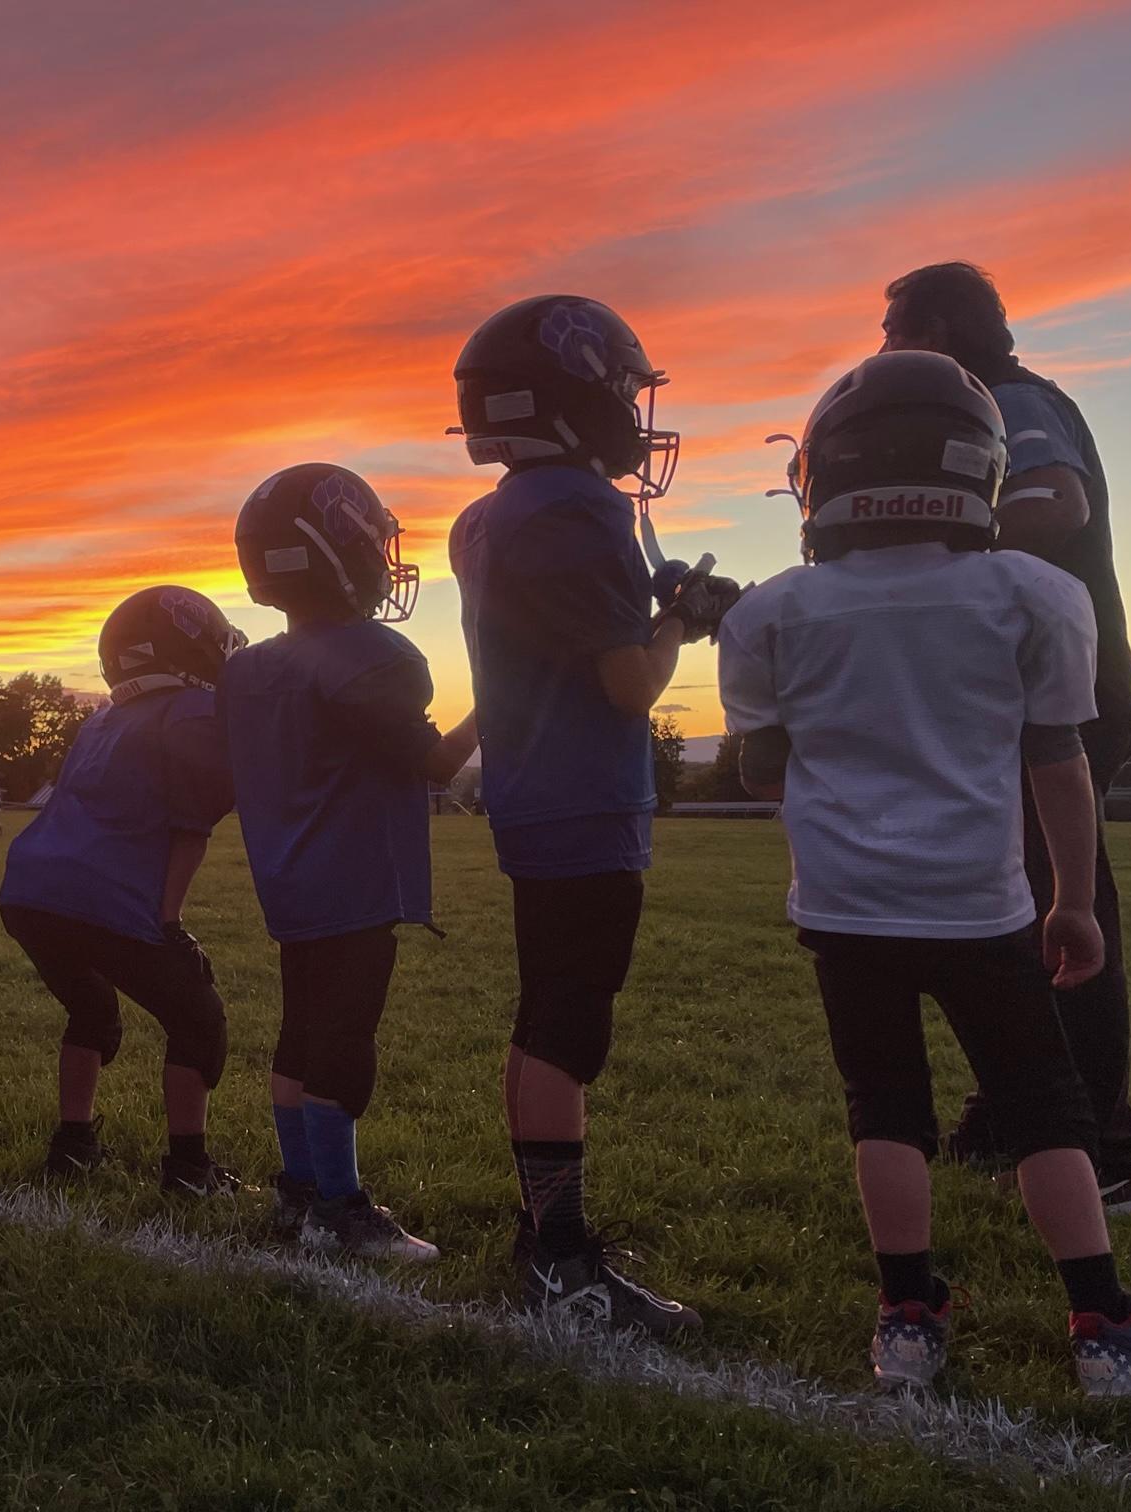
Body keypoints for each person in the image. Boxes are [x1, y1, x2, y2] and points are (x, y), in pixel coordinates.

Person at [719, 350, 1131, 1397]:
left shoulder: (773, 612)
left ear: (823, 476)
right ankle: (1105, 1326)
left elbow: (762, 771)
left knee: (883, 1104)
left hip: (844, 905)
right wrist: (1073, 898)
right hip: (982, 902)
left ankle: (907, 1318)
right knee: (1045, 1107)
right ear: (977, 467)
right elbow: (1058, 763)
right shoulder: (1034, 591)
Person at [449, 295, 733, 1333]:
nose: (632, 410)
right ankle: (561, 1259)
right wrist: (674, 625)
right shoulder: (577, 508)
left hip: (535, 792)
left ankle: (547, 1236)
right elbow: (625, 684)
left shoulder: (487, 517)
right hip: (582, 795)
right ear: (574, 397)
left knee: (551, 1012)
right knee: (570, 1021)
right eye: (619, 387)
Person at [879, 262, 1131, 1215]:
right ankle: (1013, 1114)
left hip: (1058, 688)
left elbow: (1055, 502)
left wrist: (931, 538)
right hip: (1027, 683)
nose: (882, 350)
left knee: (1062, 901)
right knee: (1012, 901)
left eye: (894, 329)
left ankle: (1104, 1152)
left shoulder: (1012, 399)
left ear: (944, 328)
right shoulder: (996, 398)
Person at [221, 462, 477, 1262]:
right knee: (341, 1044)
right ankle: (340, 1206)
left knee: (301, 1035)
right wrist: (498, 702)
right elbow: (432, 765)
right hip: (353, 877)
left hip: (291, 878)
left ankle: (299, 1193)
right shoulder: (371, 654)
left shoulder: (248, 667)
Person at [0, 585, 242, 1194]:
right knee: (198, 1021)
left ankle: (72, 1145)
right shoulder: (194, 713)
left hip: (30, 887)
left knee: (92, 1008)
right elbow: (189, 831)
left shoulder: (103, 718)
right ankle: (189, 1168)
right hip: (101, 894)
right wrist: (168, 924)